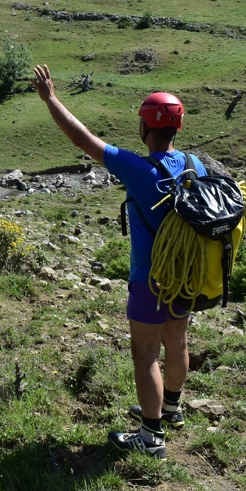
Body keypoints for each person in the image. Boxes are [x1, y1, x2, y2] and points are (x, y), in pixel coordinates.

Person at [32, 64, 205, 460]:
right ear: (177, 127)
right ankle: (172, 409)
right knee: (177, 340)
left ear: (145, 127)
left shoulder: (138, 167)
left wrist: (50, 98)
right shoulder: (196, 165)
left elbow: (82, 138)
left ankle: (150, 436)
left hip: (150, 279)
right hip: (187, 275)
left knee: (145, 356)